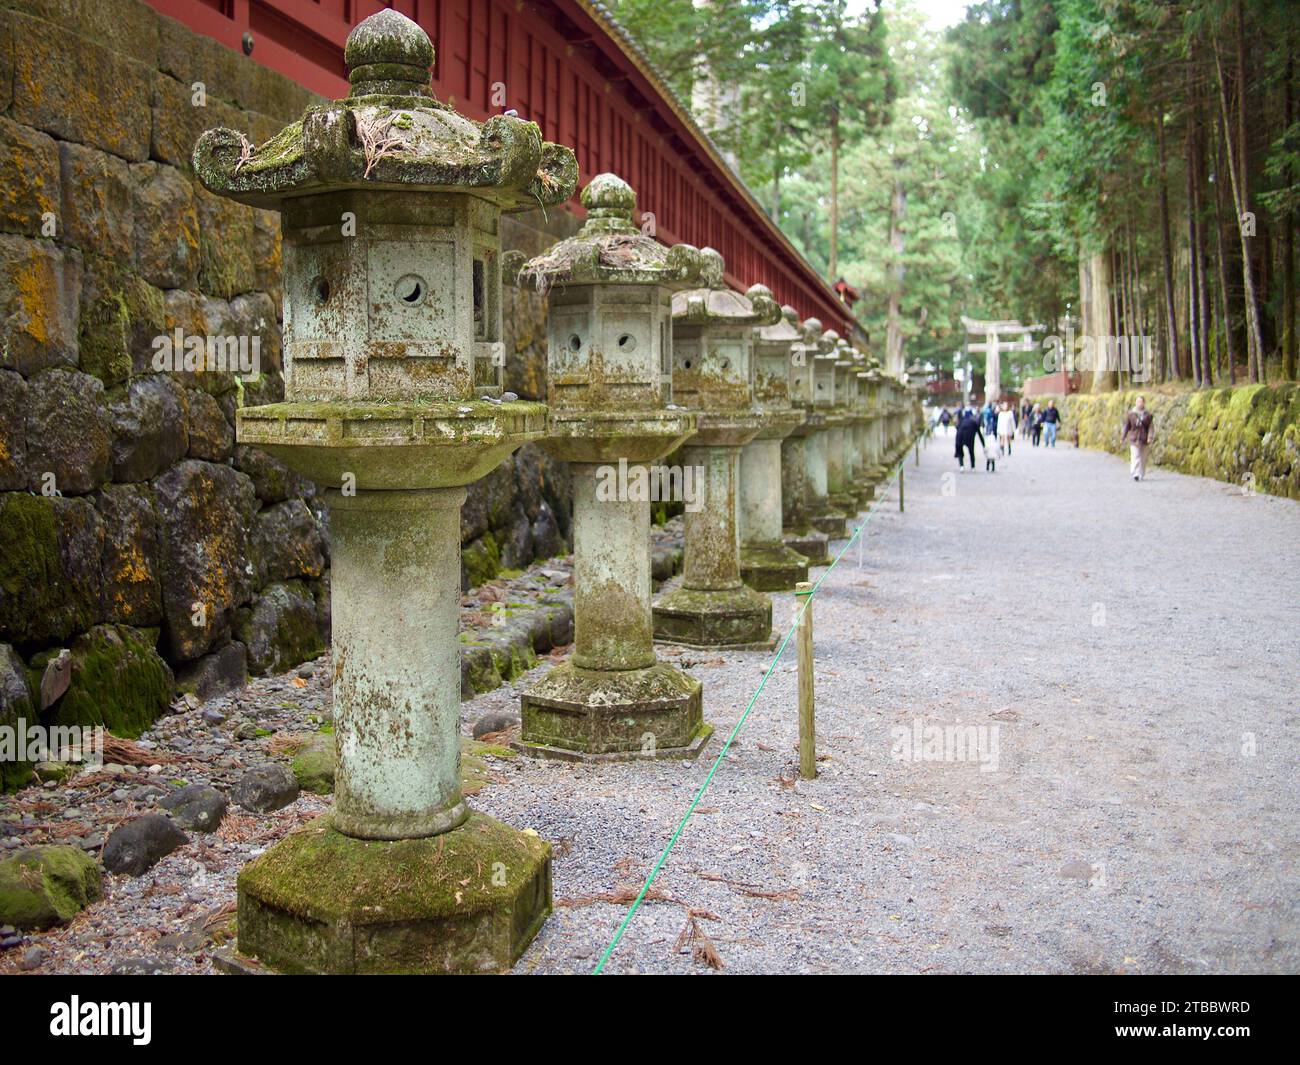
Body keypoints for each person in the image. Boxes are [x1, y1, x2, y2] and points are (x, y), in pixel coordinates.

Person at [1122, 395, 1155, 480]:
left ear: (1144, 403)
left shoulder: (1148, 415)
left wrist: (1150, 437)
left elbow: (1151, 427)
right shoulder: (1131, 414)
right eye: (1138, 402)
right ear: (1135, 403)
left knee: (1143, 457)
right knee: (1135, 456)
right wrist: (1123, 437)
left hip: (1144, 439)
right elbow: (1126, 426)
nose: (1139, 403)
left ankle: (1141, 473)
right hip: (1134, 438)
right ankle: (1135, 473)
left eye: (1141, 401)